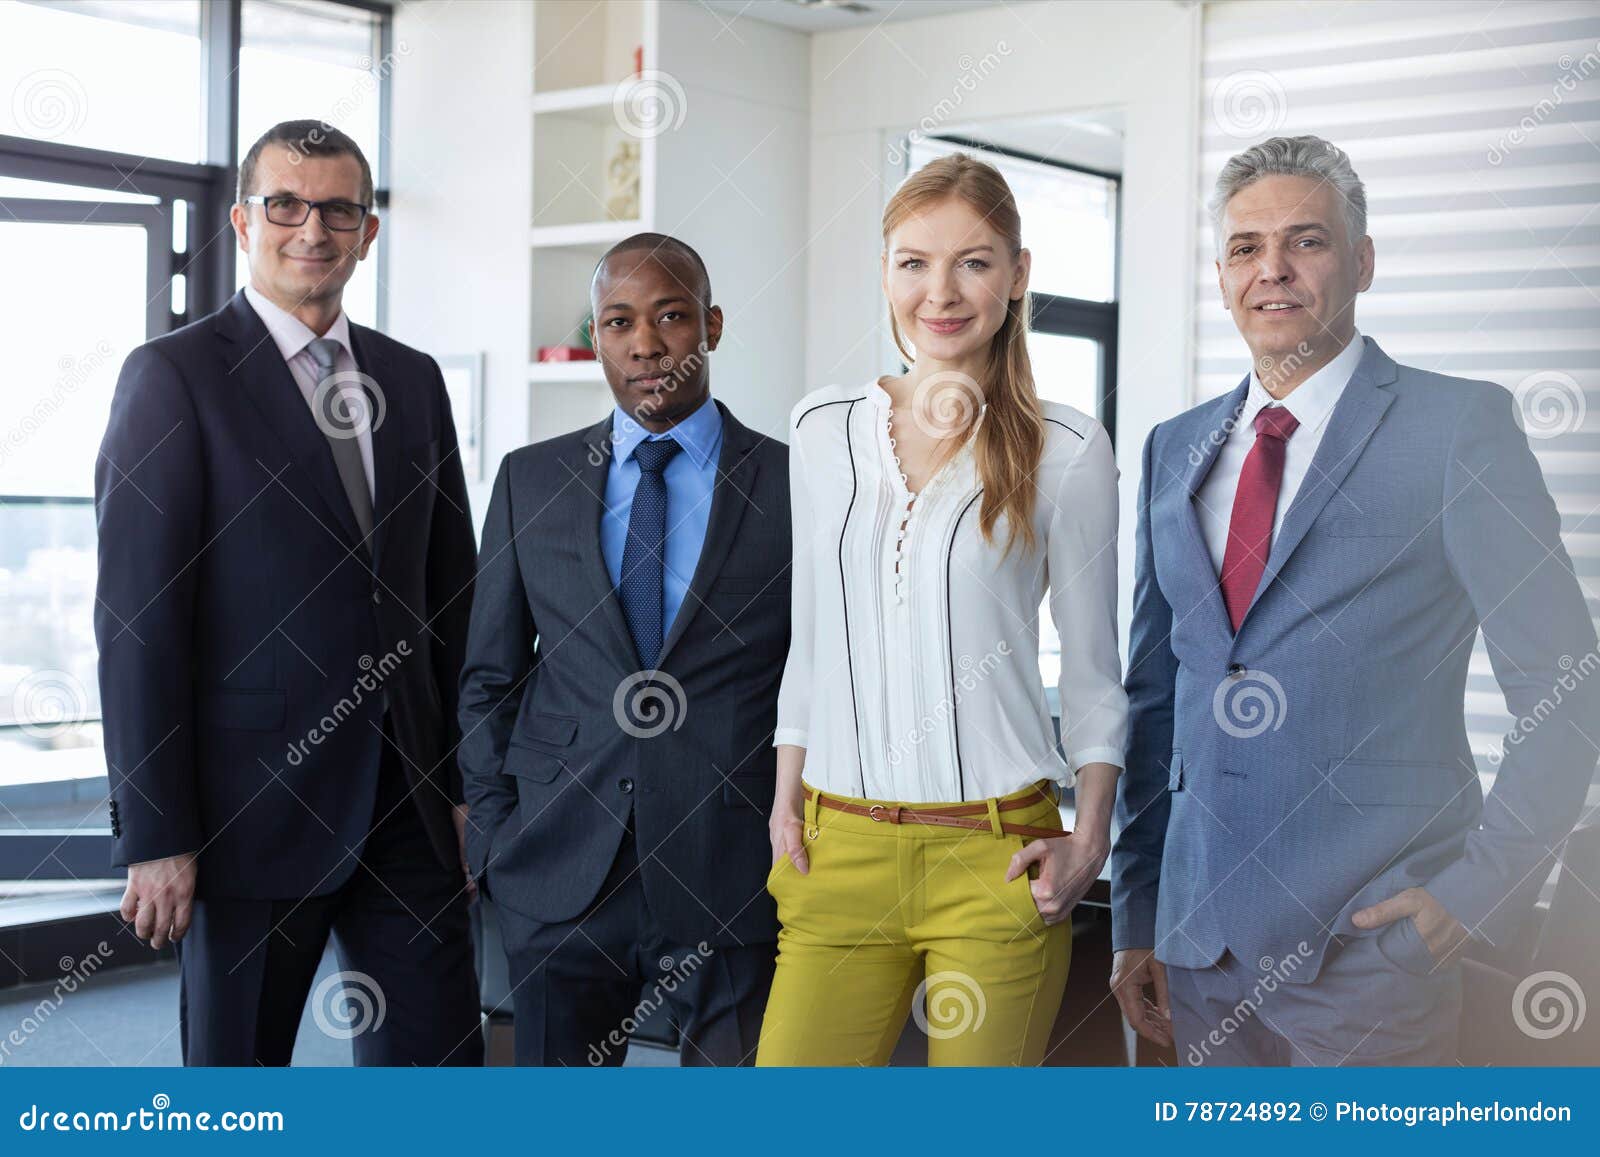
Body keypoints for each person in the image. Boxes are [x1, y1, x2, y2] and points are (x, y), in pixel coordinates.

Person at [1110, 134, 1600, 1066]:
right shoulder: (1175, 449)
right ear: (1221, 276)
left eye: (1308, 241)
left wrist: (1480, 892)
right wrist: (1138, 910)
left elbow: (1565, 682)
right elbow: (1156, 700)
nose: (1275, 271)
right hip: (1197, 950)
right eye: (1247, 248)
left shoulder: (1458, 429)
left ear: (1363, 260)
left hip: (1371, 951)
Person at [96, 120, 483, 1065]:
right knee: (238, 1084)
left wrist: (475, 785)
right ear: (244, 219)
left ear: (367, 231)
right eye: (286, 205)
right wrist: (157, 832)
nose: (312, 228)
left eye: (338, 209)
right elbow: (138, 624)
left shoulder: (412, 379)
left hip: (410, 807)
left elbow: (453, 599)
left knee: (439, 1076)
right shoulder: (172, 378)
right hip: (244, 815)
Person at [757, 152, 1128, 1066]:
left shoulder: (1069, 448)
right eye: (914, 262)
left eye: (974, 260)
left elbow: (1092, 672)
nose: (942, 291)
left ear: (1018, 274)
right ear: (886, 273)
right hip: (836, 851)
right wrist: (784, 805)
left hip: (997, 861)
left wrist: (1088, 840)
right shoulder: (819, 428)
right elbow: (813, 639)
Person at [458, 234, 789, 1066]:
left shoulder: (795, 483)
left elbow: (822, 674)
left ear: (710, 325)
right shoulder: (530, 480)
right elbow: (490, 675)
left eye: (671, 316)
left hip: (733, 866)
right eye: (618, 322)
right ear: (598, 336)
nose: (645, 344)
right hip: (560, 865)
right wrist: (494, 835)